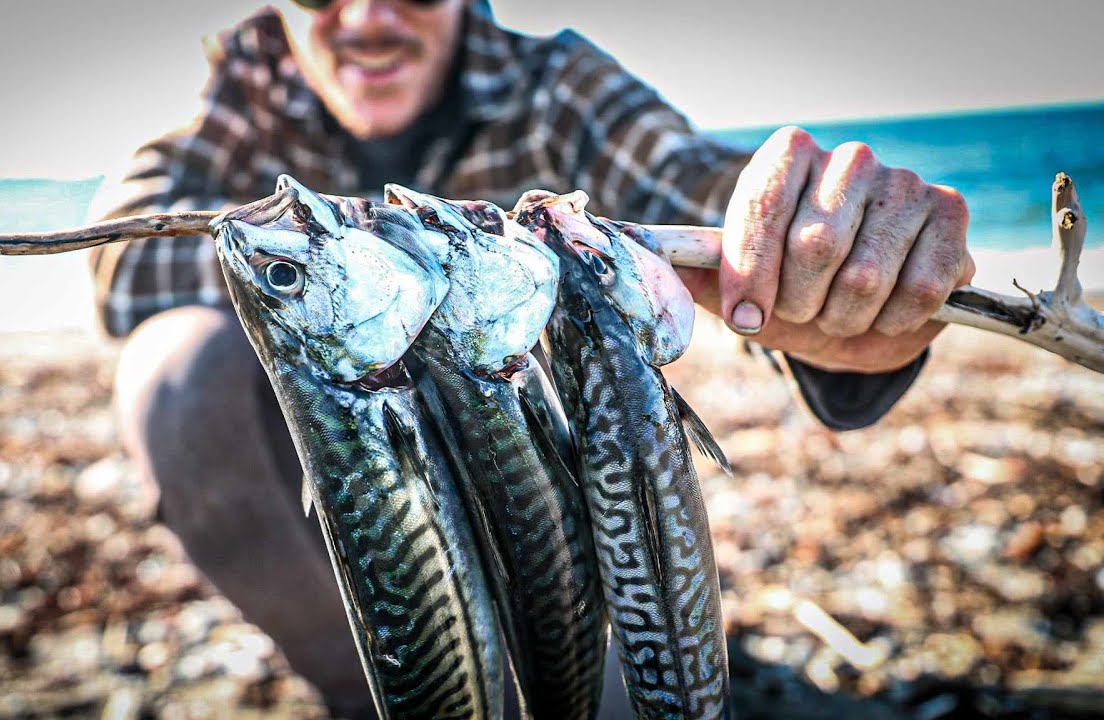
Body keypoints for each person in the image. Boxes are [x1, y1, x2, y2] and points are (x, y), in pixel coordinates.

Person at [88, 1, 973, 715]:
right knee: (174, 369)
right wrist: (388, 259)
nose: (367, 16)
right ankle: (373, 692)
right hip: (344, 513)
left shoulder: (555, 85)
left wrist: (823, 250)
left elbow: (703, 193)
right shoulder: (241, 93)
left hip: (563, 540)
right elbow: (121, 264)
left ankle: (598, 647)